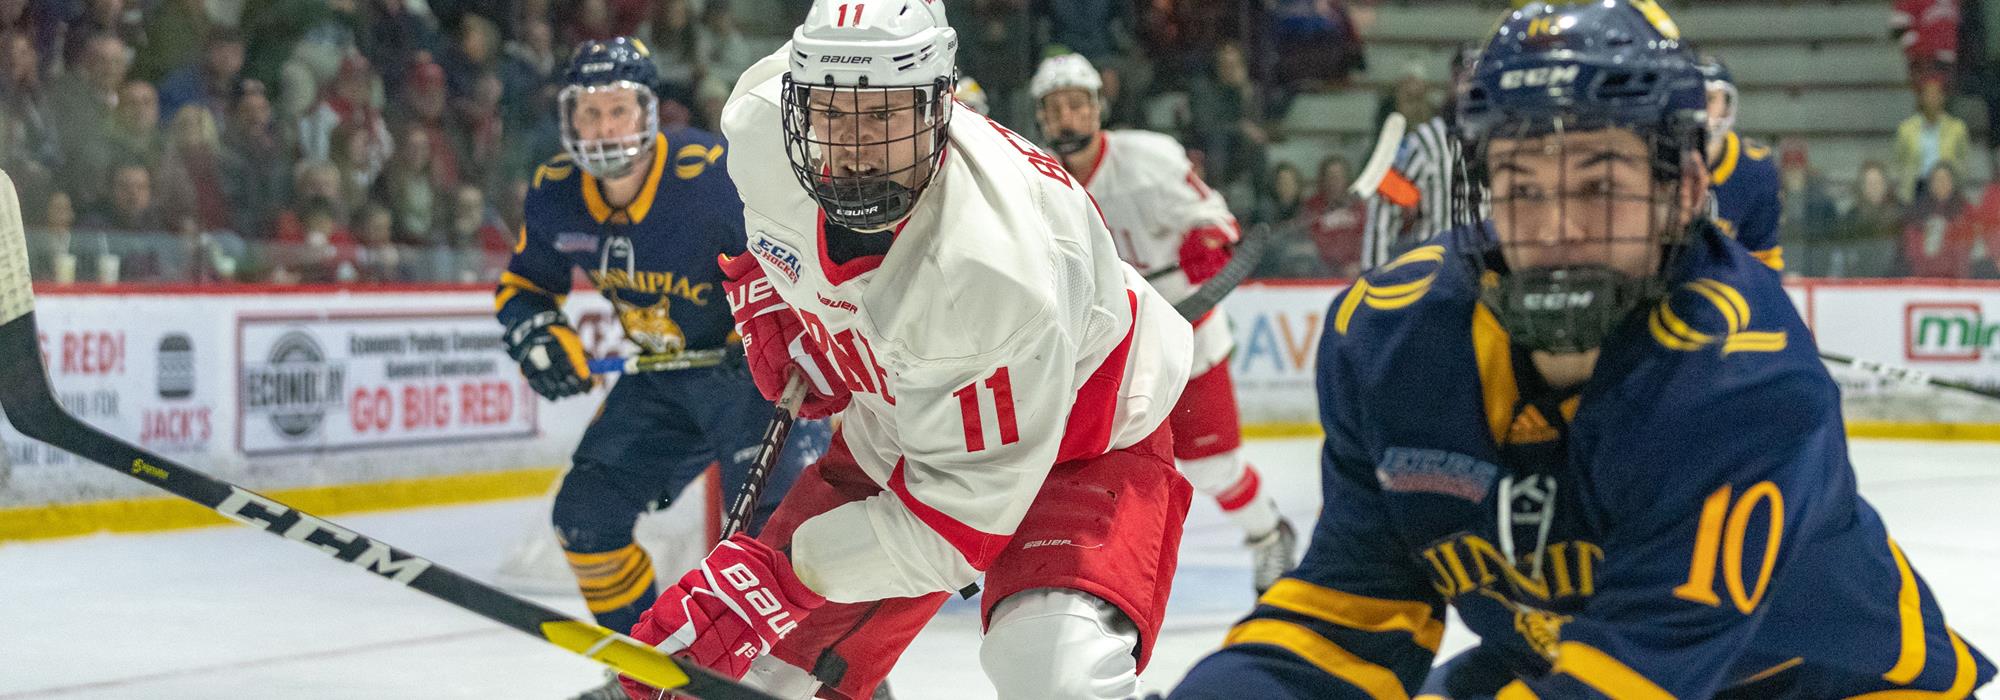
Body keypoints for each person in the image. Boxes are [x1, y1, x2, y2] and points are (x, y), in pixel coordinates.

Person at [1170, 2, 1997, 698]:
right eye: (1523, 187)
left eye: (1599, 187)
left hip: (1823, 681)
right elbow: (1349, 617)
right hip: (1576, 654)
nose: (1557, 230)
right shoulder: (1393, 338)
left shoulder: (1743, 384)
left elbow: (1630, 677)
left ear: (1684, 194)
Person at [619, 1, 1197, 697]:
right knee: (762, 678)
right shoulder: (761, 128)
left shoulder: (990, 269)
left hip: (1085, 437)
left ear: (939, 106)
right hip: (902, 425)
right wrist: (773, 292)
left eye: (883, 116)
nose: (854, 146)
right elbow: (777, 230)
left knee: (1052, 671)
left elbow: (952, 532)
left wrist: (782, 578)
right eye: (831, 114)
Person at [492, 37, 829, 700]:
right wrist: (538, 333)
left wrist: (780, 339)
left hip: (751, 377)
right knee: (586, 518)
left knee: (777, 545)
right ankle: (650, 676)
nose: (603, 128)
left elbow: (798, 260)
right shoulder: (558, 191)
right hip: (661, 377)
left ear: (649, 111)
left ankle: (829, 684)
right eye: (588, 114)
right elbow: (526, 287)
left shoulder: (712, 177)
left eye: (617, 110)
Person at [1030, 50, 1298, 594]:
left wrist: (1206, 239)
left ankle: (1270, 535)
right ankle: (1095, 574)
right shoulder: (1032, 179)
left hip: (1187, 339)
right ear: (1040, 118)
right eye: (1055, 109)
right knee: (1093, 472)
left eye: (1077, 105)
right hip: (1105, 354)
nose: (1066, 119)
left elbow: (1216, 218)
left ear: (1099, 108)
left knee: (1213, 468)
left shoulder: (1149, 160)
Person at [1698, 54, 1785, 271]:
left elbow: (1763, 261)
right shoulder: (1655, 159)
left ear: (1727, 106)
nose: (1700, 108)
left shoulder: (1756, 171)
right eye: (1693, 96)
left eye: (1709, 99)